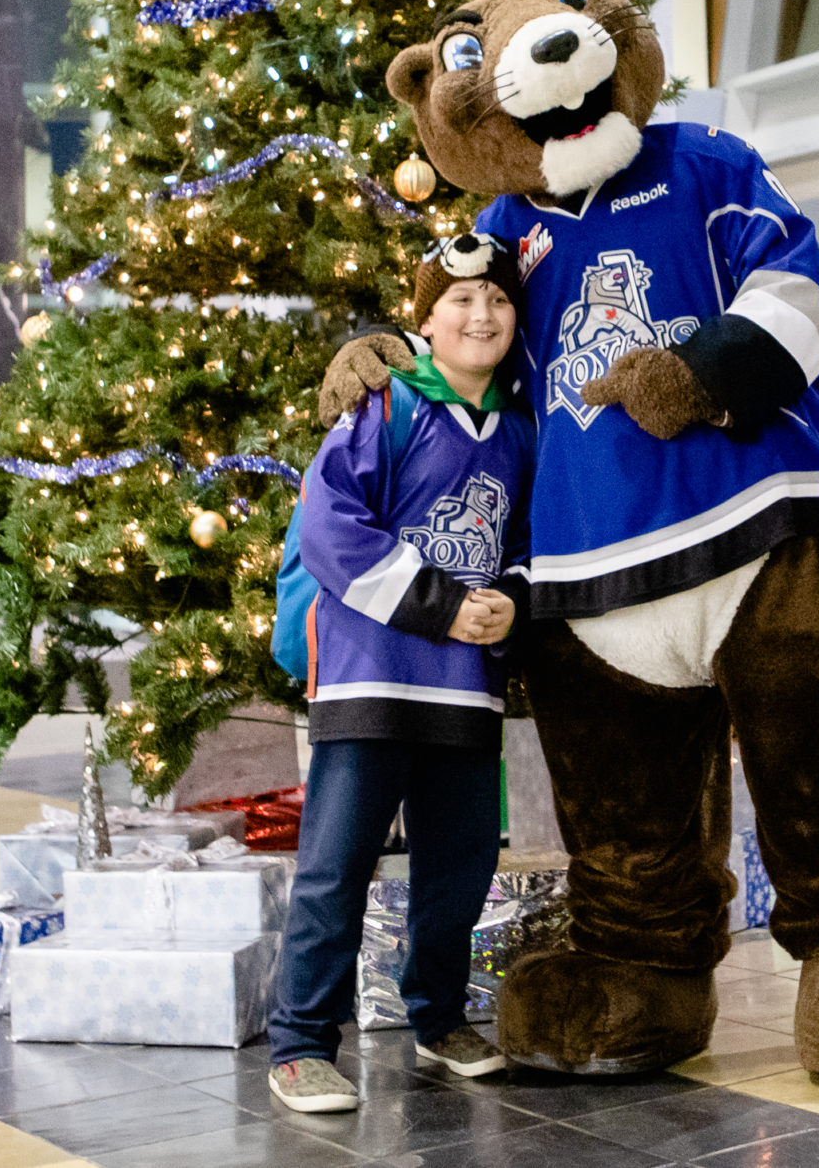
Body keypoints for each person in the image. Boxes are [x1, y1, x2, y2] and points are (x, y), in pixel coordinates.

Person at [266, 233, 534, 1113]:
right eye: (461, 301)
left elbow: (532, 540)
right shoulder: (386, 406)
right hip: (368, 681)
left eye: (496, 300)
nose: (481, 315)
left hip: (465, 689)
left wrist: (511, 600)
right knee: (336, 867)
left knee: (456, 869)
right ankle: (301, 1042)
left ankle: (440, 1014)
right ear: (426, 316)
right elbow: (328, 524)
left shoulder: (522, 427)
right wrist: (440, 604)